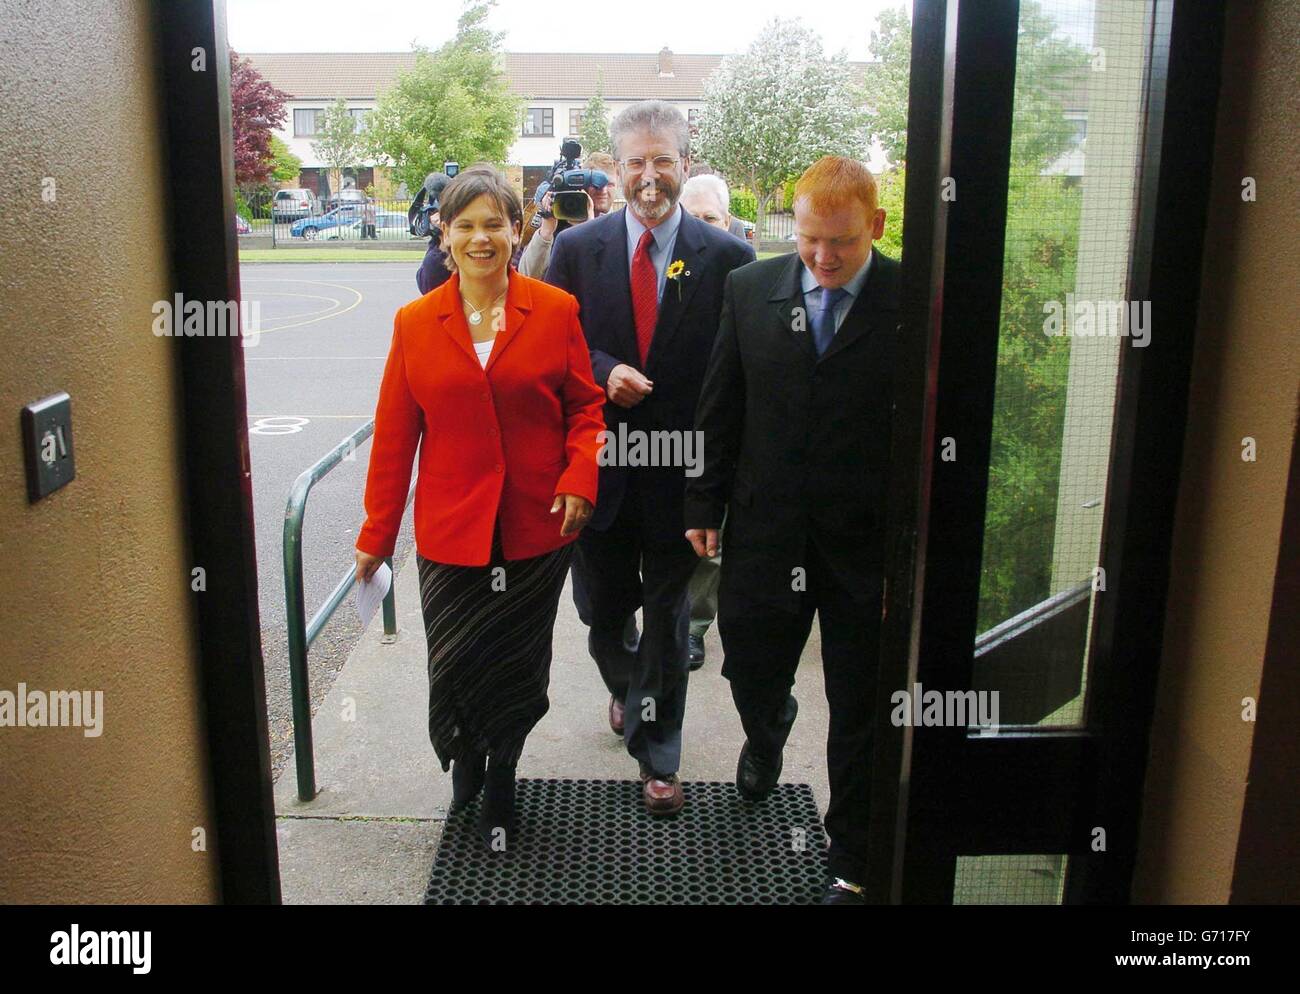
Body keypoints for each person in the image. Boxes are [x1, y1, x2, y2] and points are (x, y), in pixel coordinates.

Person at [355, 166, 606, 852]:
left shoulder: (555, 311)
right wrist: (375, 536)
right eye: (464, 224)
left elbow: (586, 407)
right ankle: (464, 752)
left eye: (495, 223)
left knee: (517, 663)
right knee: (457, 660)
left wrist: (581, 473)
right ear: (443, 235)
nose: (480, 237)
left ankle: (502, 776)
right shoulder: (414, 323)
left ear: (518, 232)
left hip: (536, 526)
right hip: (450, 530)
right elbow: (395, 435)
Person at [684, 156, 899, 903]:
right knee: (749, 665)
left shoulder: (910, 301)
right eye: (810, 239)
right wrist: (701, 508)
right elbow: (721, 405)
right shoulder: (749, 290)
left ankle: (852, 860)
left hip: (864, 547)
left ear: (874, 226)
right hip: (767, 532)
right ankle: (767, 725)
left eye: (841, 241)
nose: (823, 256)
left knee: (862, 708)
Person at [545, 101, 754, 815]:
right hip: (597, 468)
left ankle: (659, 754)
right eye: (635, 161)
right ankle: (626, 684)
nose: (650, 175)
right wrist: (604, 369)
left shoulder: (730, 260)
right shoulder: (576, 251)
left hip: (682, 477)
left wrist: (717, 491)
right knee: (602, 610)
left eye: (663, 160)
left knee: (668, 617)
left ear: (685, 165)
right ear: (616, 170)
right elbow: (557, 351)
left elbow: (736, 382)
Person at [677, 173, 746, 669]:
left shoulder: (743, 273)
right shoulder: (672, 268)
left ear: (728, 222)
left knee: (711, 532)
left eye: (710, 219)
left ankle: (695, 625)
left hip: (720, 426)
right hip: (666, 424)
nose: (702, 228)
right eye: (693, 218)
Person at [519, 151, 618, 279]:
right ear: (583, 183)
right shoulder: (556, 220)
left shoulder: (618, 228)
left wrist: (588, 231)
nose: (603, 191)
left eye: (610, 184)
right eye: (596, 185)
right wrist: (546, 232)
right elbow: (526, 277)